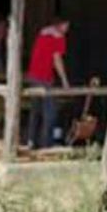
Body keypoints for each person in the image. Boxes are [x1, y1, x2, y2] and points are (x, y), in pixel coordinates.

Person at [25, 17, 71, 149]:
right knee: (50, 112)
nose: (67, 29)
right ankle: (46, 143)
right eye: (67, 25)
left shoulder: (42, 33)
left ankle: (31, 140)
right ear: (62, 24)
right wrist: (64, 80)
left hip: (33, 75)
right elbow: (57, 60)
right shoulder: (59, 38)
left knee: (35, 110)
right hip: (44, 77)